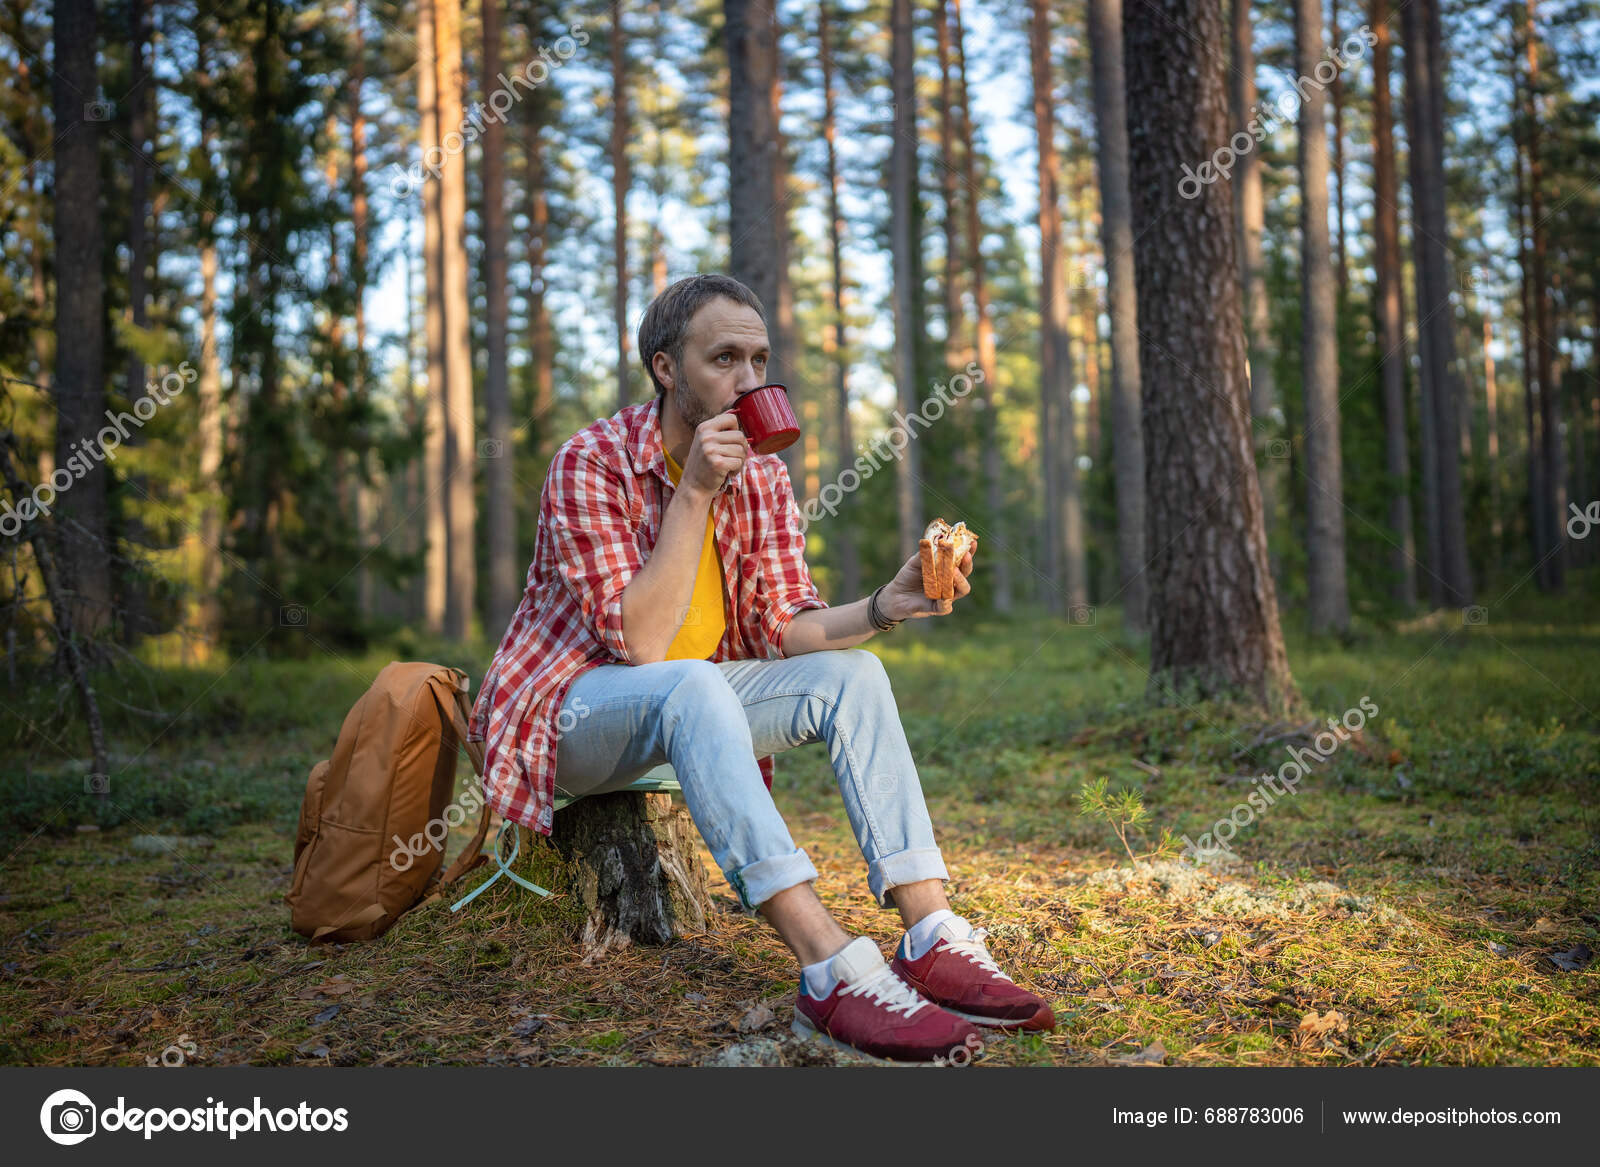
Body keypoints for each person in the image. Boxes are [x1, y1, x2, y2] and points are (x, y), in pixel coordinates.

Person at [470, 273, 1054, 1062]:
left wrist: (886, 604)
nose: (750, 382)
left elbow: (785, 625)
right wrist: (696, 493)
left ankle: (929, 930)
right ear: (666, 367)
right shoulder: (592, 462)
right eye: (724, 359)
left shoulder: (764, 475)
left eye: (759, 358)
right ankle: (828, 967)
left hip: (691, 703)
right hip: (569, 716)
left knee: (855, 676)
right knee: (689, 678)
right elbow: (640, 645)